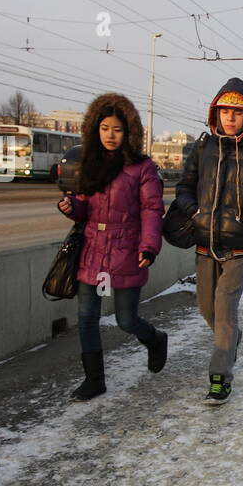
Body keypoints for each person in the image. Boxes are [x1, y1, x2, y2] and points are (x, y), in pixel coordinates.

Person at [172, 77, 243, 405]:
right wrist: (194, 212)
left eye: (237, 112)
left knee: (224, 306)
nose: (230, 117)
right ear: (216, 112)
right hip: (206, 243)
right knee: (207, 309)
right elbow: (184, 187)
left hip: (241, 247)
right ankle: (231, 338)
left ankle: (220, 378)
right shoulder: (204, 148)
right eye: (225, 111)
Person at [58, 92, 167, 401]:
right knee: (87, 318)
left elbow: (152, 210)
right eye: (104, 127)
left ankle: (155, 339)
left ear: (128, 132)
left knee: (126, 320)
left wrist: (149, 246)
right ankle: (94, 380)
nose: (110, 135)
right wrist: (70, 207)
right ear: (95, 128)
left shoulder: (141, 168)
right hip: (92, 250)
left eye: (116, 129)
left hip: (126, 251)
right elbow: (84, 207)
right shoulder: (90, 162)